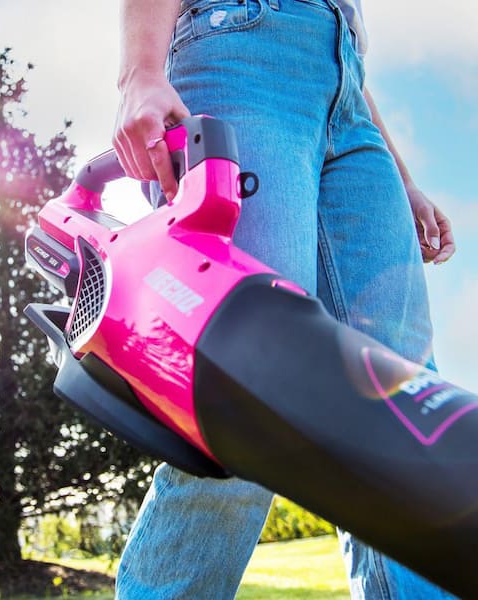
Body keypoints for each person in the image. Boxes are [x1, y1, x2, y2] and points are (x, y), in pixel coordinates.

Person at [112, 0, 457, 598]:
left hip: (348, 90)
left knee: (405, 401)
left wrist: (401, 180)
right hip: (238, 52)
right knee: (248, 385)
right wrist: (139, 71)